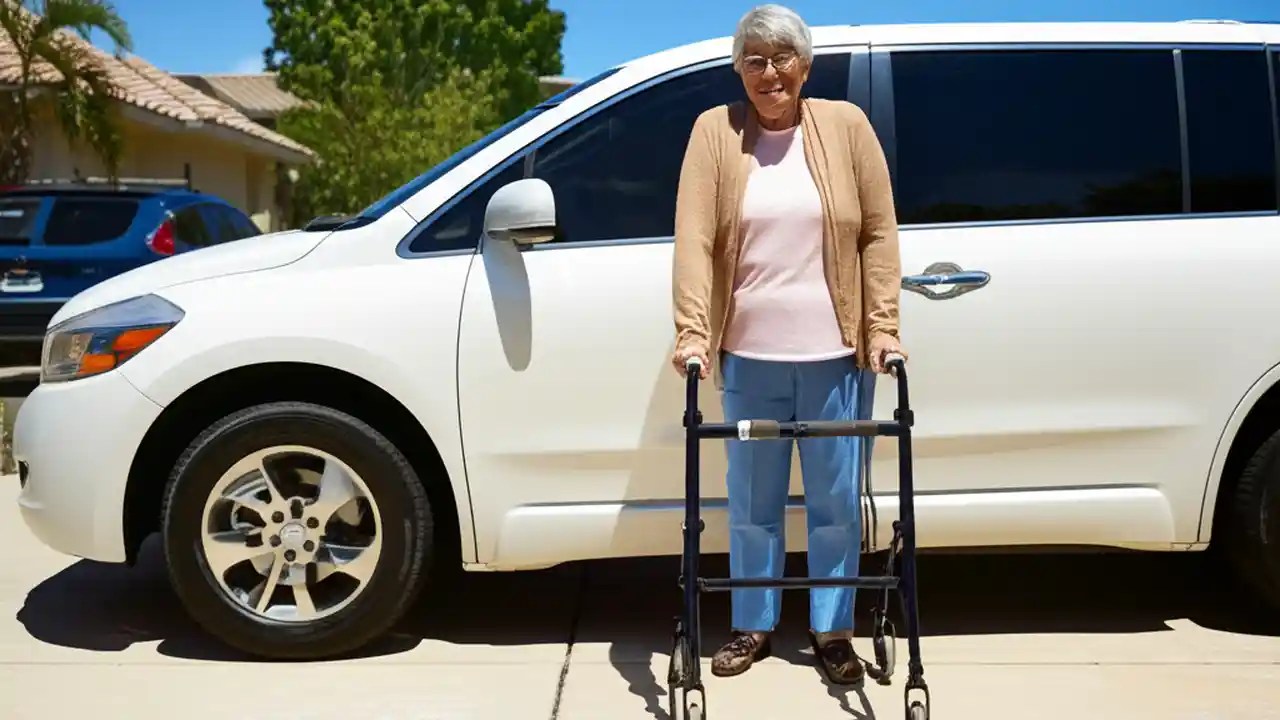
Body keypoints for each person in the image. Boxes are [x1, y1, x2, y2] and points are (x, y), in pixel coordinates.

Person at [670, 4, 905, 685]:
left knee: (835, 505)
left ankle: (834, 631)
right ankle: (752, 625)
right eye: (754, 60)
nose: (768, 73)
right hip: (750, 355)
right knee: (752, 505)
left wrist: (883, 325)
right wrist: (692, 331)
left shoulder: (845, 126)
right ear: (739, 68)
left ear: (804, 65)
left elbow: (878, 234)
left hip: (835, 356)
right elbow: (695, 239)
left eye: (781, 59)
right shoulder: (716, 133)